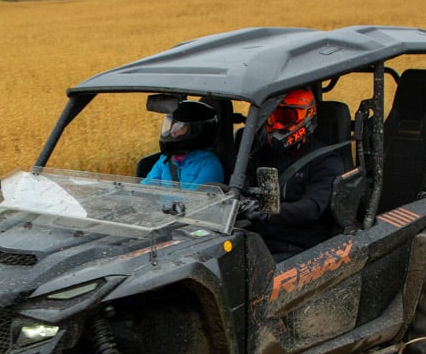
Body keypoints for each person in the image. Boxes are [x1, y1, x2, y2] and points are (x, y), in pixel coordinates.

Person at [243, 88, 339, 259]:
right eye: (274, 118)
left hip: (299, 248)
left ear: (306, 117)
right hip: (259, 239)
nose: (278, 126)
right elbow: (244, 186)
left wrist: (268, 213)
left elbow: (312, 207)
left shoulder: (325, 161)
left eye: (286, 118)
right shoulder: (261, 155)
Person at [142, 100, 224, 189]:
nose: (172, 132)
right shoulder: (165, 160)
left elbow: (196, 199)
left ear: (198, 130)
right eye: (172, 125)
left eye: (181, 126)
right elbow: (144, 188)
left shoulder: (210, 165)